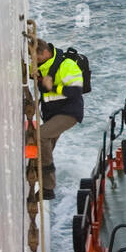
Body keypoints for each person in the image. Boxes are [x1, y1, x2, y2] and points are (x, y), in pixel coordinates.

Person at [35, 40, 85, 198]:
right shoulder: (42, 65)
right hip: (52, 114)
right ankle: (38, 177)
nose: (33, 61)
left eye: (34, 57)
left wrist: (53, 87)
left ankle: (48, 188)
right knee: (46, 145)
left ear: (44, 53)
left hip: (68, 113)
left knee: (41, 135)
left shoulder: (67, 65)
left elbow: (76, 92)